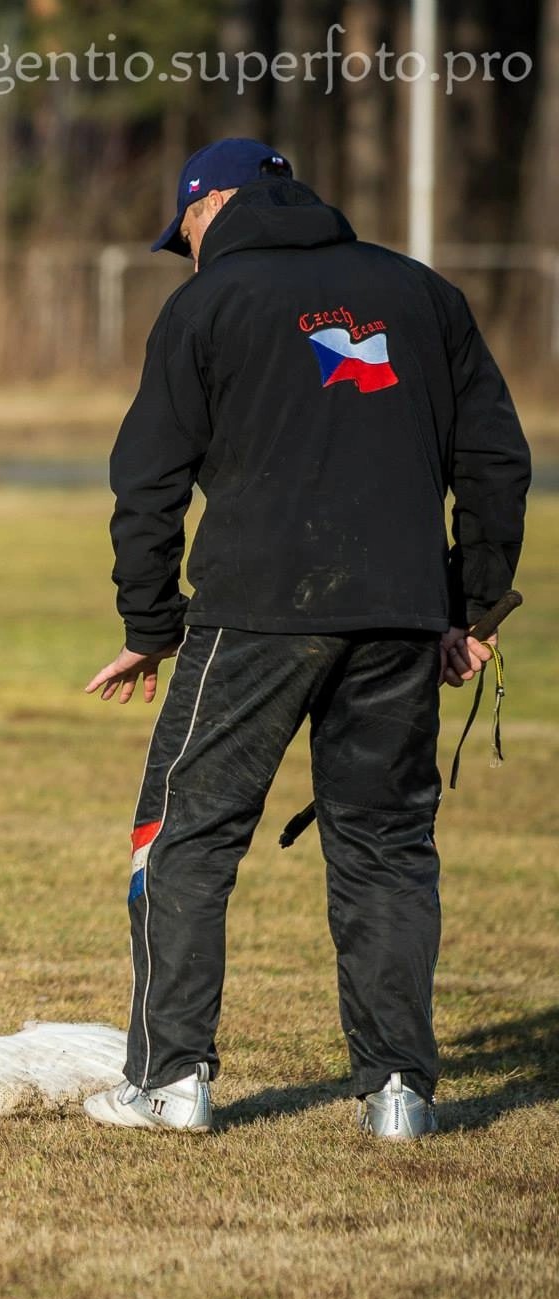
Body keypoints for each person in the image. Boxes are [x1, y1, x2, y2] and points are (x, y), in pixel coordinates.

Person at [80, 138, 532, 1138]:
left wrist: (149, 626)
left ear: (206, 210)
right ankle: (398, 1096)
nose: (182, 251)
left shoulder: (206, 304)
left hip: (253, 612)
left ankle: (167, 1080)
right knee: (384, 846)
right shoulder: (422, 294)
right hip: (400, 612)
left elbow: (146, 482)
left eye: (181, 232)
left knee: (182, 835)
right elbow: (495, 461)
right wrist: (472, 606)